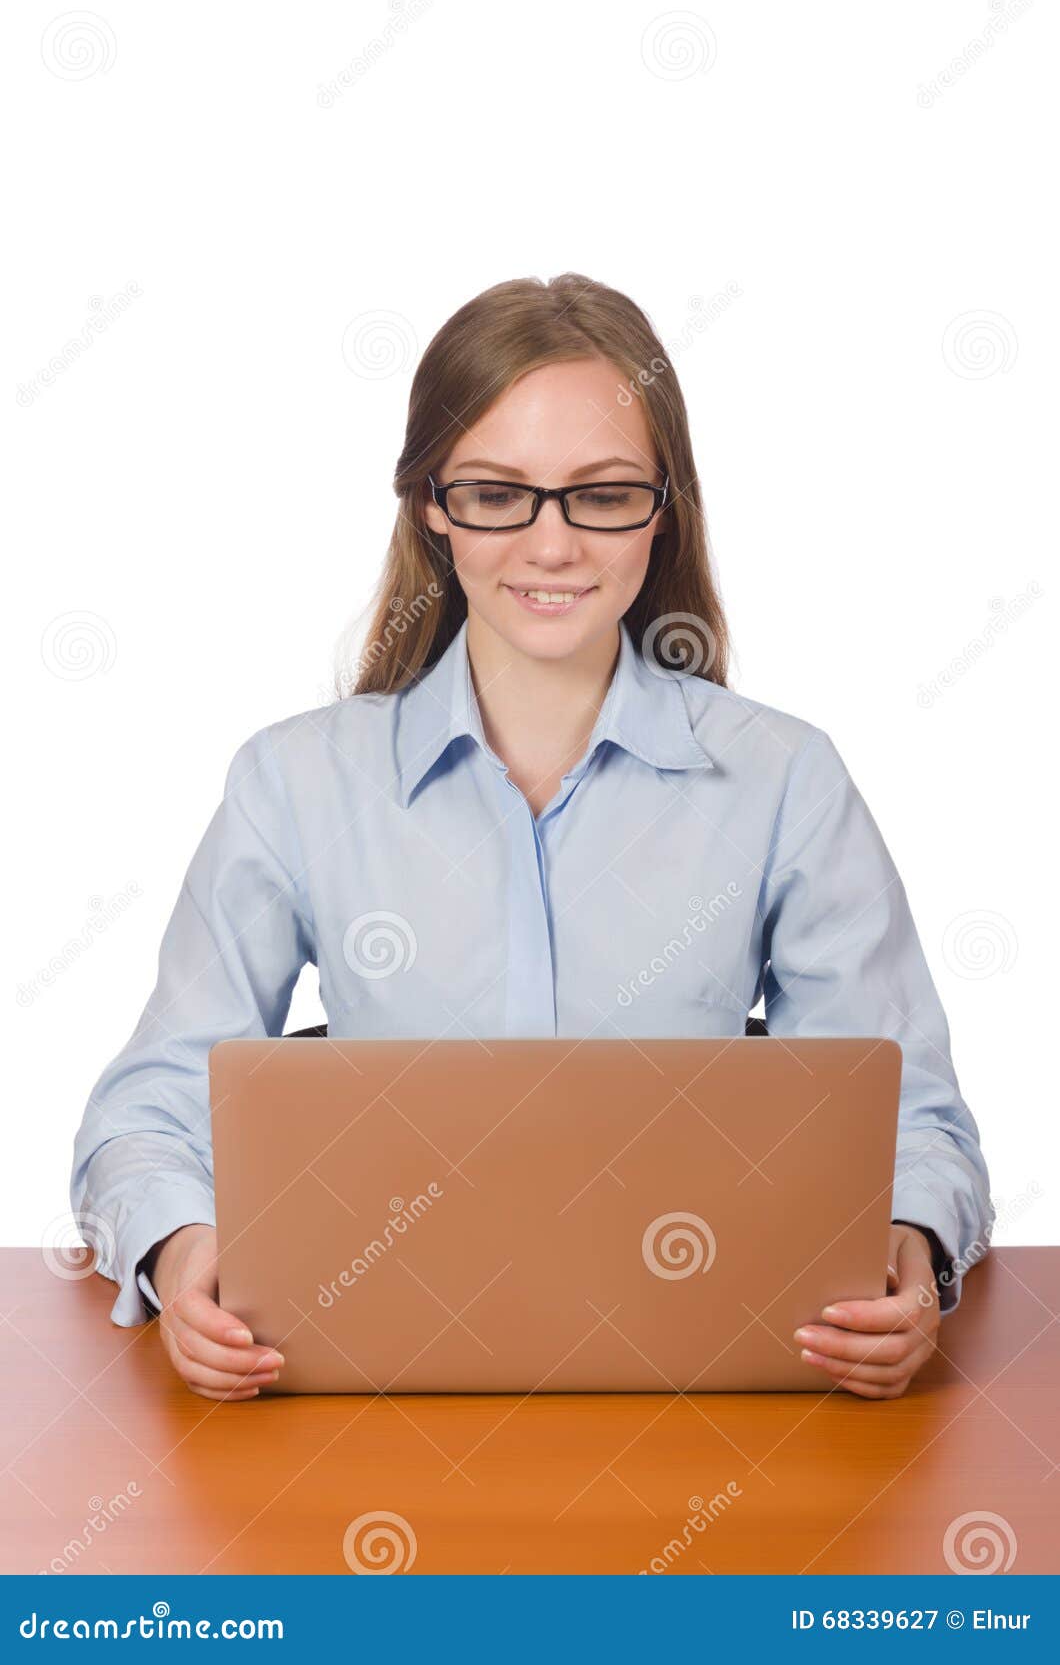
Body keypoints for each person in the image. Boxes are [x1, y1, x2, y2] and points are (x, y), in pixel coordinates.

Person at [70, 272, 993, 1403]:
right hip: (366, 1384)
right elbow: (147, 1102)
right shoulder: (295, 782)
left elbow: (908, 1108)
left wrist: (911, 1243)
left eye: (601, 494)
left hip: (706, 1379)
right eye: (499, 493)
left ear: (662, 509)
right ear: (434, 508)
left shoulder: (785, 779)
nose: (551, 544)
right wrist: (178, 1248)